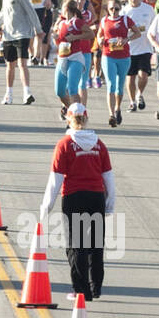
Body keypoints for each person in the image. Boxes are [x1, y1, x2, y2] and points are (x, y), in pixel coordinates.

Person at [40, 103, 115, 303]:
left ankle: (80, 290)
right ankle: (95, 287)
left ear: (68, 118)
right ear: (86, 117)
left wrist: (46, 207)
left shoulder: (65, 145)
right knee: (96, 243)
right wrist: (110, 203)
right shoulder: (99, 144)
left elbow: (55, 180)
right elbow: (108, 177)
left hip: (74, 197)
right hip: (96, 197)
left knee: (75, 244)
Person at [0, 0, 38, 106]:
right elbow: (3, 13)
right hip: (8, 35)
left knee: (22, 64)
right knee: (10, 65)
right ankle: (9, 94)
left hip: (22, 33)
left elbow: (30, 9)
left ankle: (27, 93)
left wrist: (38, 28)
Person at [53, 0, 92, 117]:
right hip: (63, 58)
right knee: (59, 91)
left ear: (67, 9)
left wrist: (75, 37)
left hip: (75, 58)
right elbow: (60, 42)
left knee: (72, 88)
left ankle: (77, 117)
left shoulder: (76, 22)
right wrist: (55, 38)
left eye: (62, 8)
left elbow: (91, 34)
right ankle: (73, 111)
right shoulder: (61, 23)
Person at [97, 0, 132, 128]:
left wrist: (126, 39)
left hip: (123, 57)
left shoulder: (125, 19)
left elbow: (137, 33)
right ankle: (111, 115)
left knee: (119, 86)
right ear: (108, 9)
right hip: (108, 56)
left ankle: (118, 108)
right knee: (111, 84)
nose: (114, 11)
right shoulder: (104, 20)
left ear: (120, 9)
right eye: (111, 9)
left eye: (116, 9)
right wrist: (100, 40)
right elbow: (100, 34)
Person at [122, 0, 156, 113]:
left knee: (143, 75)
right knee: (130, 77)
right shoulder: (124, 11)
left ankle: (139, 94)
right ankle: (132, 102)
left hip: (145, 48)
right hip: (129, 48)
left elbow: (153, 27)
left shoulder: (148, 9)